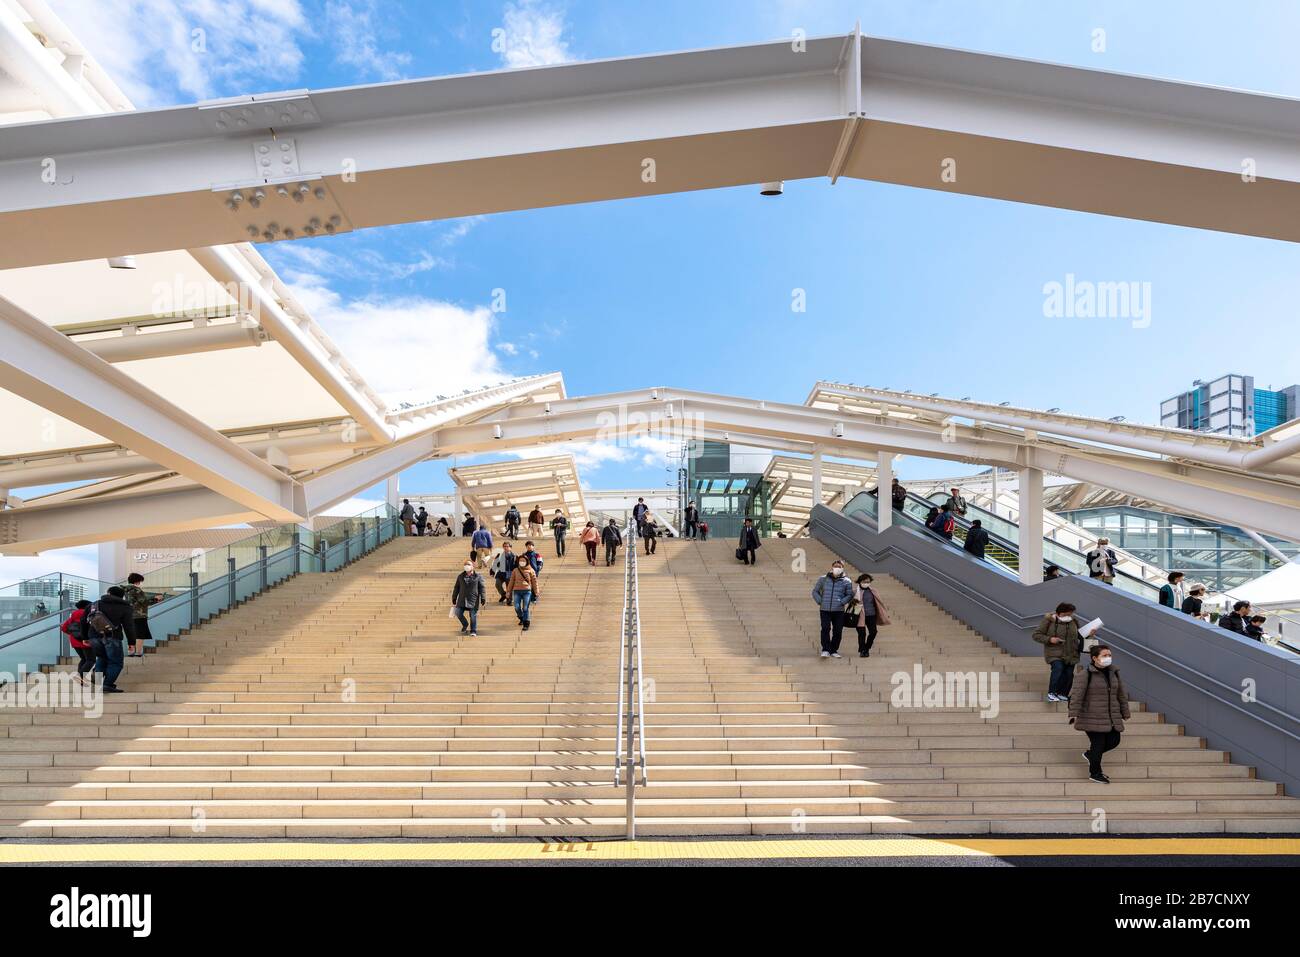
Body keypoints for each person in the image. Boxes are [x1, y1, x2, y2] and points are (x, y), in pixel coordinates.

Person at [1069, 643, 1130, 784]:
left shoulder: (1114, 673)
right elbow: (1077, 695)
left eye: (1109, 655)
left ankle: (1090, 755)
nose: (1108, 658)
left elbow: (1121, 694)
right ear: (1095, 658)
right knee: (1098, 744)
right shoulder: (1085, 674)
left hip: (1110, 715)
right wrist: (1073, 713)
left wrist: (1125, 711)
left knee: (1114, 740)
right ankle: (1095, 773)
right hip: (1091, 715)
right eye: (1104, 655)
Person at [87, 585, 136, 693]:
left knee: (102, 657)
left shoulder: (95, 604)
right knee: (115, 662)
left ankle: (98, 681)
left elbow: (83, 620)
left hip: (94, 637)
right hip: (113, 637)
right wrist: (131, 642)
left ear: (108, 593)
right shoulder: (125, 607)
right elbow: (129, 626)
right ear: (122, 596)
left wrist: (85, 637)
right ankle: (107, 684)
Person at [1032, 602, 1081, 703]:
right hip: (1054, 652)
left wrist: (1090, 634)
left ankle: (1063, 694)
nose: (1068, 616)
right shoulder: (1049, 620)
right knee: (1058, 669)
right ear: (1059, 613)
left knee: (1068, 674)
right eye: (1066, 614)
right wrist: (1050, 639)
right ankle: (1052, 693)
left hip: (1071, 653)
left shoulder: (1074, 621)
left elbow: (1080, 635)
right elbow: (1036, 635)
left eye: (1070, 614)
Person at [811, 559, 855, 658]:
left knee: (838, 630)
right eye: (835, 566)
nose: (837, 568)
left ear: (843, 568)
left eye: (839, 566)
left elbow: (849, 594)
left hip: (839, 611)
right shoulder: (823, 579)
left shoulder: (847, 581)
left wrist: (842, 602)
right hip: (825, 609)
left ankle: (834, 650)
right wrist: (820, 601)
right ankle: (826, 649)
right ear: (832, 567)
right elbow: (815, 591)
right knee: (825, 628)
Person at [849, 572, 890, 658]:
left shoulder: (873, 591)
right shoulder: (854, 592)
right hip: (859, 615)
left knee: (873, 632)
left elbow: (879, 603)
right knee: (862, 633)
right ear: (860, 582)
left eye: (868, 581)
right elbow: (849, 602)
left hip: (871, 615)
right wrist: (852, 602)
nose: (866, 583)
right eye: (864, 581)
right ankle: (862, 651)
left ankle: (866, 648)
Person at [121, 571, 158, 658]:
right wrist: (156, 599)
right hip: (139, 615)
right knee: (140, 634)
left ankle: (130, 652)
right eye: (140, 581)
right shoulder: (136, 590)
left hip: (128, 616)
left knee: (131, 634)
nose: (140, 583)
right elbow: (144, 602)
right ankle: (138, 653)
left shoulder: (125, 590)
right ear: (137, 580)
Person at [61, 599, 95, 685]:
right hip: (86, 640)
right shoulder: (88, 614)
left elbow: (64, 627)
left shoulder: (73, 616)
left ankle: (81, 679)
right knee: (91, 660)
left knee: (84, 659)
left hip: (75, 641)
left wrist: (74, 634)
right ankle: (80, 677)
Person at [451, 560, 486, 636]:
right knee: (458, 613)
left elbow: (482, 588)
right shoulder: (460, 576)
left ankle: (473, 630)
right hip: (462, 599)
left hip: (473, 599)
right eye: (465, 564)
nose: (467, 565)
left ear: (472, 566)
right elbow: (456, 587)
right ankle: (465, 624)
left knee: (473, 616)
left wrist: (483, 597)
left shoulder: (478, 576)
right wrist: (454, 597)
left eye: (469, 564)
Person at [508, 555, 539, 631]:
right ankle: (521, 617)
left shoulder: (531, 570)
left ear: (527, 561)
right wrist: (508, 591)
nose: (522, 562)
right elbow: (511, 581)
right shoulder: (515, 570)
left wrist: (536, 591)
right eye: (520, 561)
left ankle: (526, 623)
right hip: (517, 591)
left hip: (527, 591)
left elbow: (534, 582)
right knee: (517, 607)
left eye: (523, 561)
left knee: (525, 608)